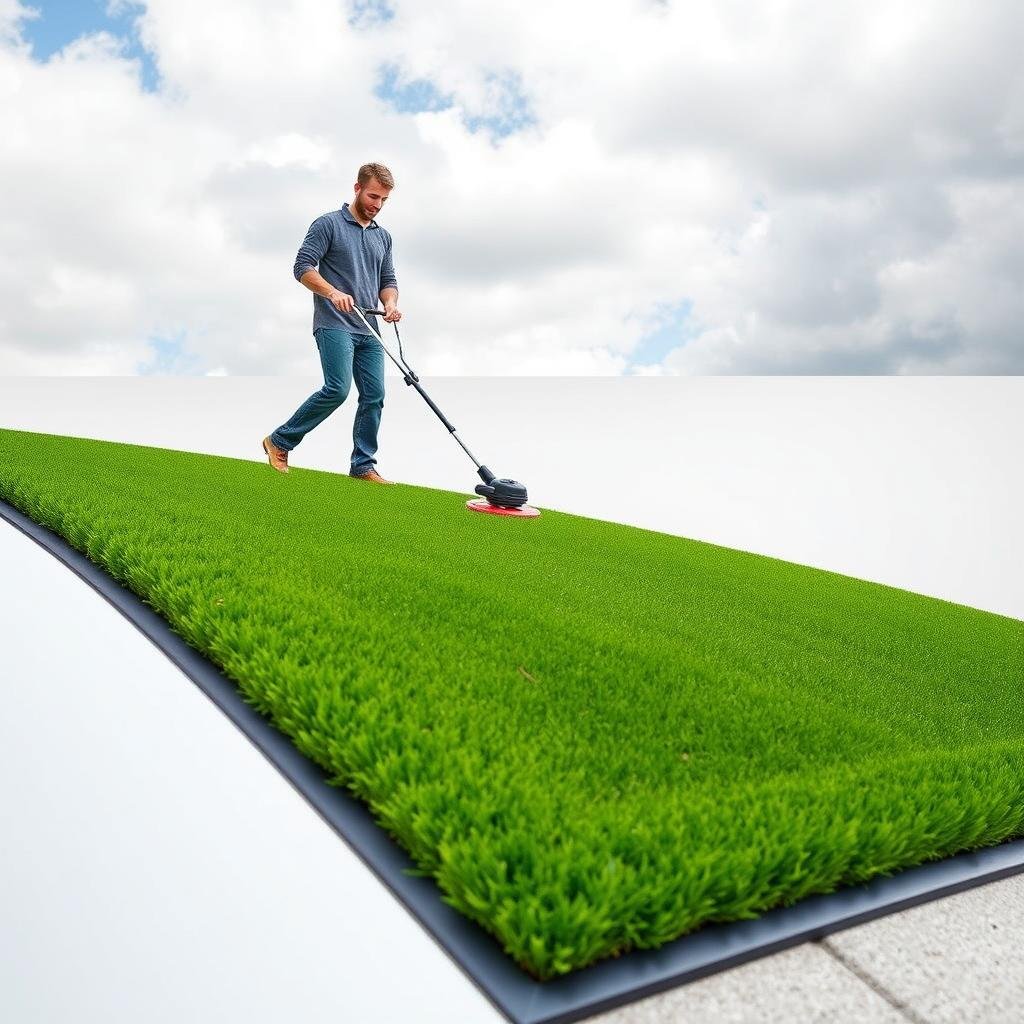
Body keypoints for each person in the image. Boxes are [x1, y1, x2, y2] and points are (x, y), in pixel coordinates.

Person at [262, 162, 402, 482]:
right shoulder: (328, 224)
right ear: (356, 188)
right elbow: (303, 267)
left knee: (374, 395)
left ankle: (362, 465)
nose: (377, 205)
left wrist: (391, 304)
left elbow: (388, 280)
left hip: (369, 329)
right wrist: (331, 291)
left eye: (383, 200)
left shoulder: (384, 238)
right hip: (334, 322)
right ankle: (280, 441)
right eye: (372, 196)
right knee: (337, 389)